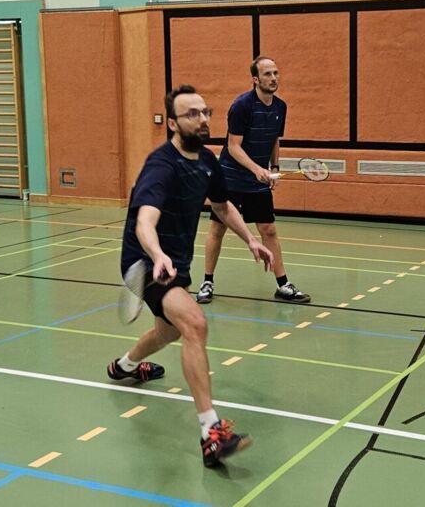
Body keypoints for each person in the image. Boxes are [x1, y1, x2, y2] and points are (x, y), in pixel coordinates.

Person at [106, 85, 273, 467]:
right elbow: (145, 219)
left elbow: (221, 204)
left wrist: (250, 239)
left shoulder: (208, 161)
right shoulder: (161, 165)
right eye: (192, 114)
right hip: (147, 262)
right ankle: (211, 434)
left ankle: (125, 366)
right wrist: (157, 253)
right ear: (172, 123)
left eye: (205, 112)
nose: (203, 119)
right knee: (194, 324)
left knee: (168, 331)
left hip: (175, 260)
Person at [196, 56, 310, 305]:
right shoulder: (242, 106)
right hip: (231, 177)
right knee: (218, 228)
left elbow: (274, 140)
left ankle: (283, 285)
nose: (273, 78)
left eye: (276, 73)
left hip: (257, 179)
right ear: (255, 79)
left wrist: (275, 167)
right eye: (267, 74)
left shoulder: (280, 107)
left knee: (268, 229)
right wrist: (257, 168)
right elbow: (233, 146)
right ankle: (207, 282)